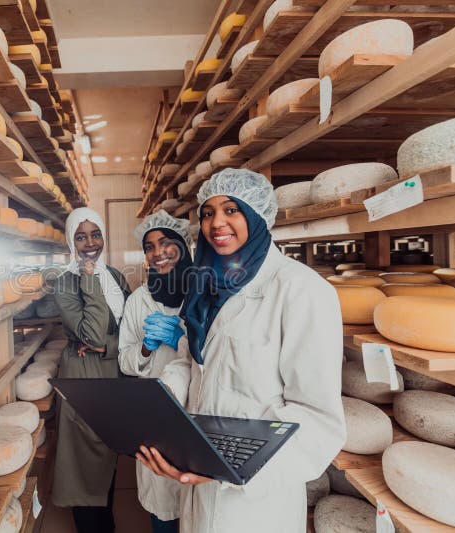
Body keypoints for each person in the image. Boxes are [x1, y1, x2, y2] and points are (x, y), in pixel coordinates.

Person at [136, 168, 346, 532]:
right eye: (208, 212)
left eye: (231, 210)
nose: (217, 222)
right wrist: (164, 407)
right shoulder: (205, 286)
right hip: (197, 472)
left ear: (258, 216)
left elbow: (317, 418)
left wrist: (229, 465)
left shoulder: (301, 291)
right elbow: (190, 360)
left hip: (256, 500)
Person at [51, 207, 131, 533]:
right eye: (81, 236)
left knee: (106, 462)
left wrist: (109, 348)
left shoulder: (116, 276)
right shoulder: (65, 284)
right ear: (71, 241)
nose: (89, 243)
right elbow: (92, 335)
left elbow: (128, 332)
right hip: (84, 381)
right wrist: (88, 277)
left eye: (95, 234)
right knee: (84, 468)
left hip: (114, 376)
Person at [117, 210, 194, 533]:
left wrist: (183, 341)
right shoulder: (139, 300)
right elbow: (124, 360)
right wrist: (146, 348)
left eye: (165, 243)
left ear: (181, 246)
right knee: (161, 498)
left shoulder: (202, 294)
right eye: (149, 246)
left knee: (197, 498)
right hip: (156, 412)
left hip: (198, 406)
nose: (157, 252)